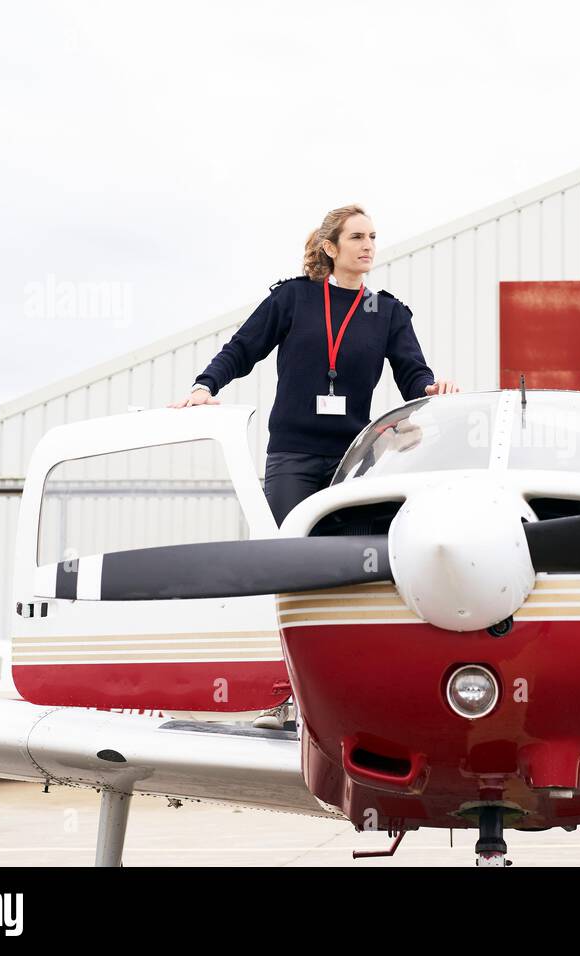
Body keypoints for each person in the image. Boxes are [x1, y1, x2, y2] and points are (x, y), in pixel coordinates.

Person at [169, 204, 460, 728]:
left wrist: (431, 391)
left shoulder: (388, 312)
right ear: (331, 247)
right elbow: (243, 349)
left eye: (373, 236)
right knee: (294, 570)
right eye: (357, 237)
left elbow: (414, 376)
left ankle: (355, 699)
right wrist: (203, 387)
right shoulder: (293, 298)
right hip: (294, 458)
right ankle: (286, 698)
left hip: (357, 462)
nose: (369, 245)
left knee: (359, 574)